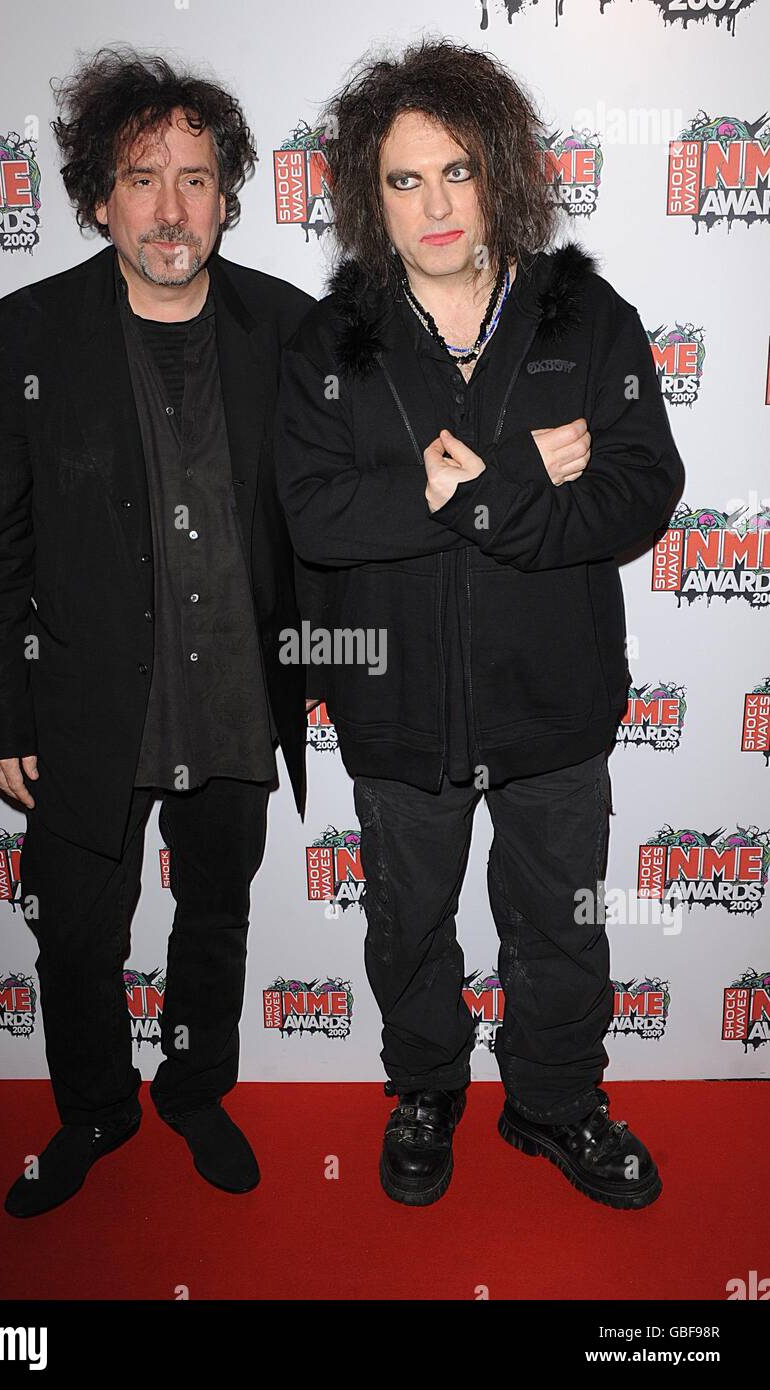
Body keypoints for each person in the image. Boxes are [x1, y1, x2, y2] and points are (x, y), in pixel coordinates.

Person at [274, 39, 684, 1209]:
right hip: (394, 703)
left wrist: (485, 495)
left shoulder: (584, 315)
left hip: (553, 697)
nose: (435, 205)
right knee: (405, 924)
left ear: (499, 172)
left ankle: (556, 1102)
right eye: (405, 181)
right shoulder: (331, 342)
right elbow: (314, 513)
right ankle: (425, 1089)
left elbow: (637, 488)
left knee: (560, 926)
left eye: (456, 172)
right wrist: (475, 479)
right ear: (369, 195)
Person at [0, 46, 315, 1218]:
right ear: (98, 196)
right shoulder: (22, 335)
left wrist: (316, 671)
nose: (170, 208)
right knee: (78, 934)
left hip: (233, 696)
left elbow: (319, 526)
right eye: (142, 177)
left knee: (215, 912)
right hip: (86, 702)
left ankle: (196, 1089)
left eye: (197, 178)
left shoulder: (289, 328)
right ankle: (96, 1107)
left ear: (229, 194)